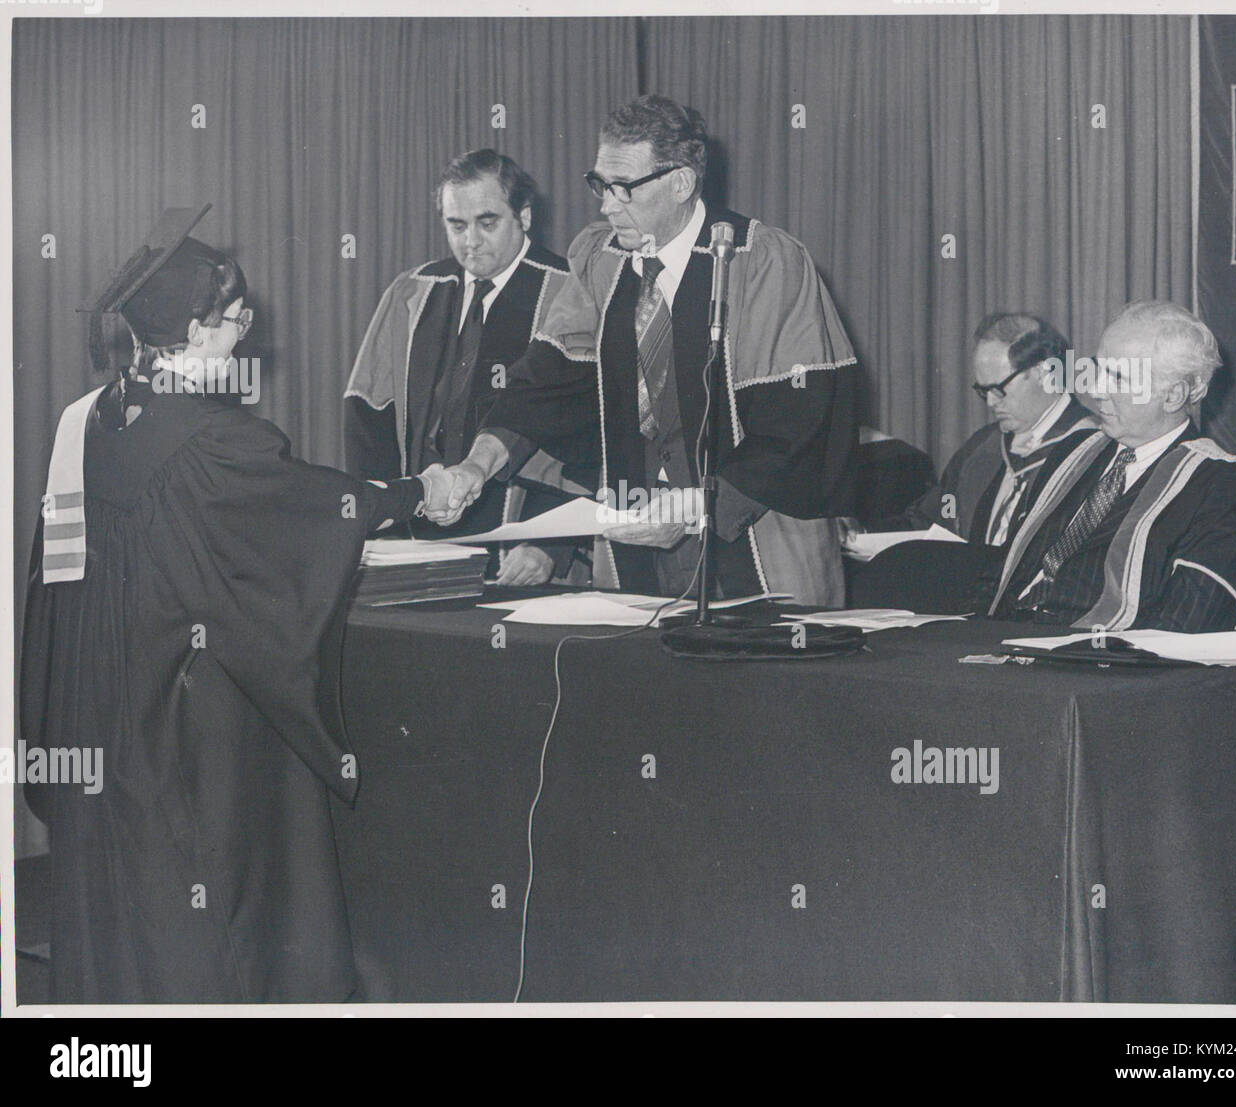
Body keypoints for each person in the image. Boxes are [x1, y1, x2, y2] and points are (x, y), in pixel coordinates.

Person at [20, 206, 455, 1003]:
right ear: (191, 329)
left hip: (97, 718)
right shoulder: (220, 444)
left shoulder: (80, 423)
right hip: (180, 722)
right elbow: (317, 515)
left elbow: (54, 591)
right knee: (210, 904)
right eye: (233, 319)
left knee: (125, 913)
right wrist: (418, 490)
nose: (244, 333)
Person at [426, 95, 861, 606]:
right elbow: (545, 381)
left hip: (756, 538)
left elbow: (802, 417)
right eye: (600, 186)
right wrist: (475, 467)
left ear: (680, 183)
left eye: (623, 189)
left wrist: (697, 507)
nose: (607, 205)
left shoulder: (761, 261)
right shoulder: (600, 258)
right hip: (634, 543)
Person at [345, 148, 579, 585]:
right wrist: (379, 519)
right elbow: (368, 413)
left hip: (519, 543)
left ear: (524, 217)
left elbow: (586, 432)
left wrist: (553, 543)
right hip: (415, 537)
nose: (470, 241)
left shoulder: (568, 293)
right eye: (456, 225)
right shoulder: (413, 293)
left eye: (487, 223)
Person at [987, 301, 1236, 632]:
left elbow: (1186, 623)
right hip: (1003, 638)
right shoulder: (1072, 453)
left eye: (1117, 378)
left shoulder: (1223, 489)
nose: (1096, 389)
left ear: (1173, 396)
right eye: (1098, 369)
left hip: (1096, 666)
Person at [894, 313, 1096, 544]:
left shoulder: (1093, 451)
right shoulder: (983, 447)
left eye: (998, 388)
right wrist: (859, 532)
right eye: (983, 391)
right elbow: (934, 515)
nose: (990, 402)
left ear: (1044, 373)